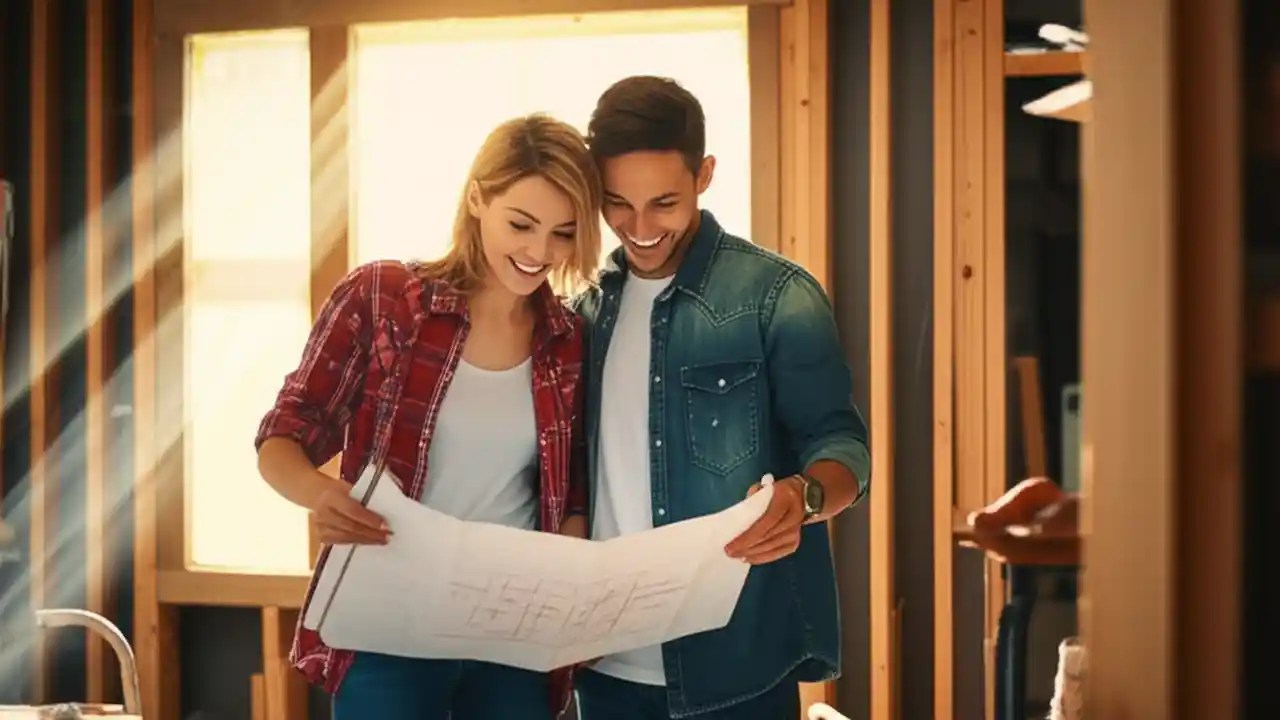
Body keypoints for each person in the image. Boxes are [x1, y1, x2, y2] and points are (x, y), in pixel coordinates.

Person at [253, 113, 601, 719]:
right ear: (476, 199)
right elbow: (283, 435)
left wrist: (572, 572)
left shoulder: (568, 336)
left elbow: (569, 494)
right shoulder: (383, 298)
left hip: (512, 634)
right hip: (391, 622)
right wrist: (320, 496)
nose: (539, 252)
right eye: (521, 224)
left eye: (563, 233)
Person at [571, 76, 871, 719]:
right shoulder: (583, 312)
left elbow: (843, 445)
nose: (640, 227)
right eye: (617, 203)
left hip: (738, 669)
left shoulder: (777, 296)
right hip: (602, 668)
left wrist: (805, 497)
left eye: (664, 202)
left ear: (704, 174)